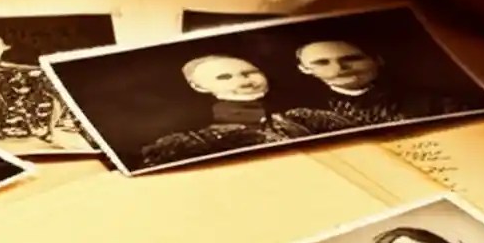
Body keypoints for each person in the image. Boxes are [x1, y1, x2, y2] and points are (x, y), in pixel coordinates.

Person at [139, 55, 351, 168]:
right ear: (199, 86)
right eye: (224, 77)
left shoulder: (306, 117)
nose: (243, 81)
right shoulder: (188, 141)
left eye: (250, 73)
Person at [293, 40, 484, 125]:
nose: (339, 69)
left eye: (352, 59)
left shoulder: (439, 103)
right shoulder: (294, 113)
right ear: (304, 69)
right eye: (321, 63)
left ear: (377, 60)